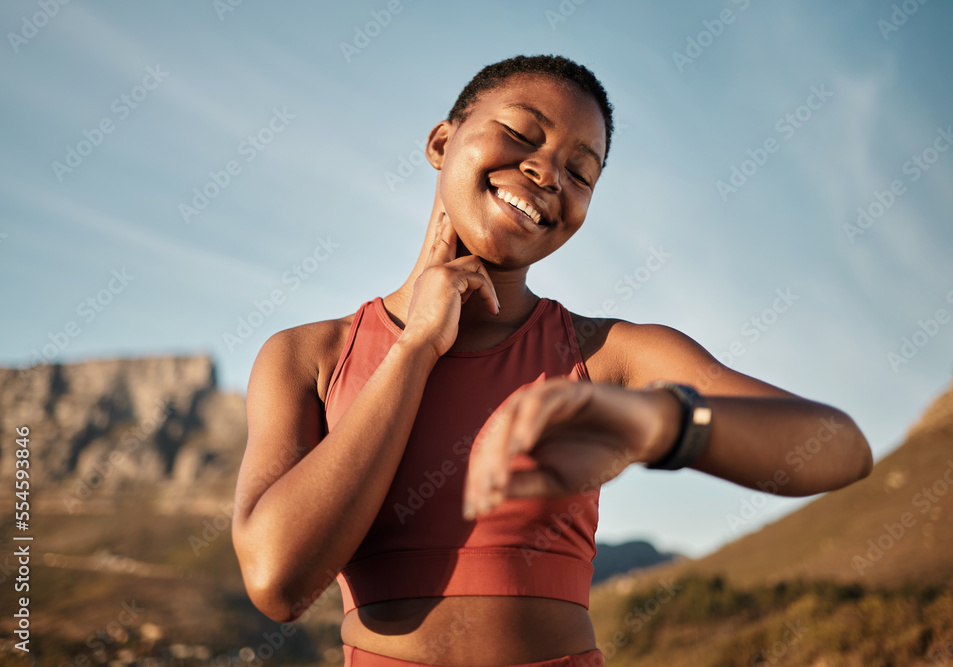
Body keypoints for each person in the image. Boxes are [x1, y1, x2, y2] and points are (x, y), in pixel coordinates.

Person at [231, 54, 873, 667]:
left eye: (581, 172)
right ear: (440, 143)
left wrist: (658, 425)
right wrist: (417, 346)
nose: (547, 173)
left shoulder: (608, 356)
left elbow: (840, 448)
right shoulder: (309, 356)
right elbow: (278, 583)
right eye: (520, 133)